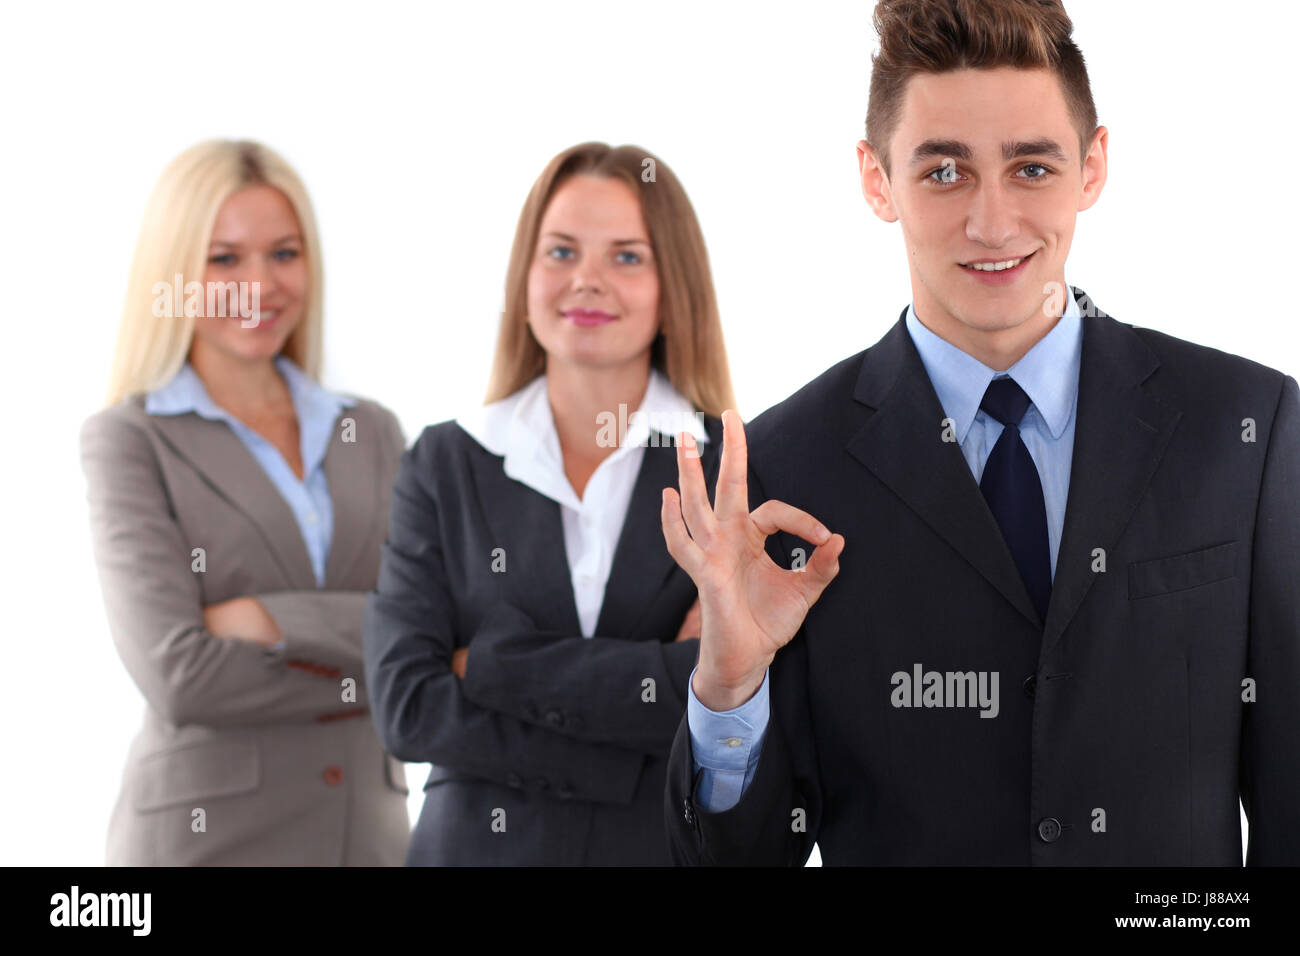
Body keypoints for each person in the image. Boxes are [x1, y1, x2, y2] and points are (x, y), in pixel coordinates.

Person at [661, 0, 1300, 865]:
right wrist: (730, 684)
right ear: (877, 180)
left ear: (1092, 167)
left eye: (1031, 167)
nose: (993, 224)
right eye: (944, 172)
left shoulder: (1244, 429)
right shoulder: (784, 467)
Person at [364, 142, 735, 865]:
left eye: (626, 257)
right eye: (561, 252)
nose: (587, 280)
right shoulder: (445, 461)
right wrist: (651, 697)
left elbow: (735, 705)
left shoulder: (729, 468)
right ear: (525, 276)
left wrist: (489, 664)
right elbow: (406, 706)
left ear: (673, 286)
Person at [80, 139, 411, 865]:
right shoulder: (131, 440)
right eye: (224, 259)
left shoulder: (371, 431)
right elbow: (180, 677)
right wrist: (386, 660)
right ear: (174, 272)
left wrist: (266, 621)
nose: (258, 284)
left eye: (284, 254)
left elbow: (437, 632)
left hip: (369, 841)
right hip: (210, 842)